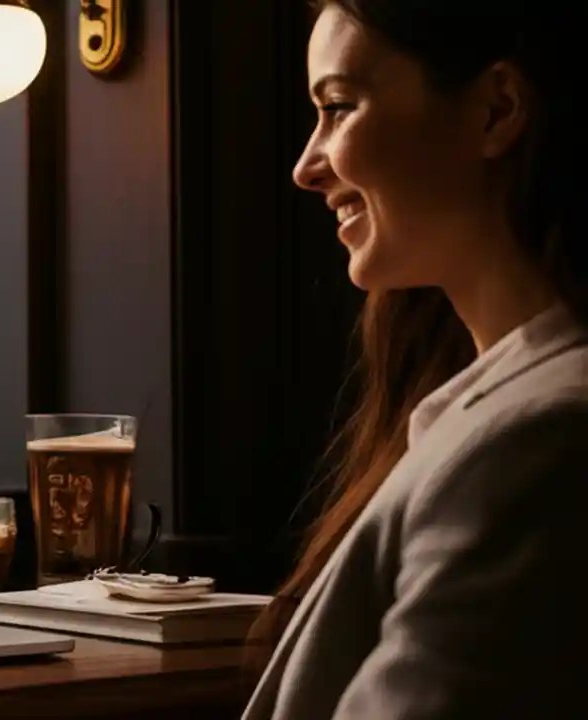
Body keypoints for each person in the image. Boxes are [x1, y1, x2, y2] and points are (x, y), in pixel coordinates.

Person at [242, 3, 588, 718]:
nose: (307, 167)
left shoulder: (537, 443)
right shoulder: (483, 417)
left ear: (497, 110)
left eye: (338, 107)